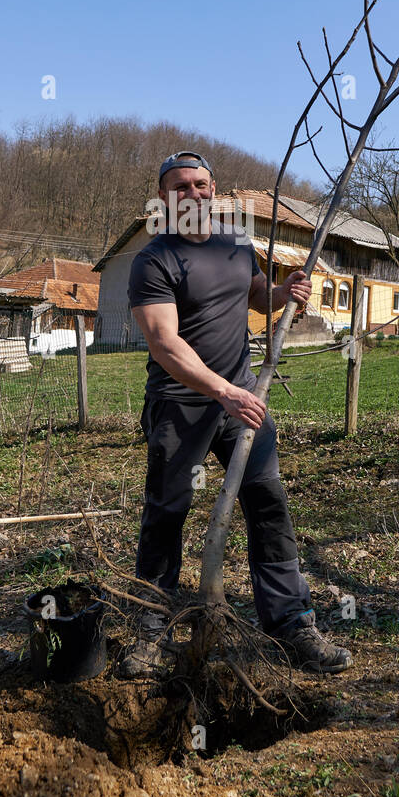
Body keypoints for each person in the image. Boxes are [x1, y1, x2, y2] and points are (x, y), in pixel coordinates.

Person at [119, 149, 352, 678]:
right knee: (167, 514)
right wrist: (221, 390)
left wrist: (285, 292)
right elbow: (163, 343)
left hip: (241, 401)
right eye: (181, 187)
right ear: (163, 198)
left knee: (269, 507)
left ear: (214, 188)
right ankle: (151, 633)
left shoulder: (235, 244)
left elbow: (256, 297)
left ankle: (294, 626)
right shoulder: (153, 260)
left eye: (201, 184)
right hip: (181, 407)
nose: (194, 194)